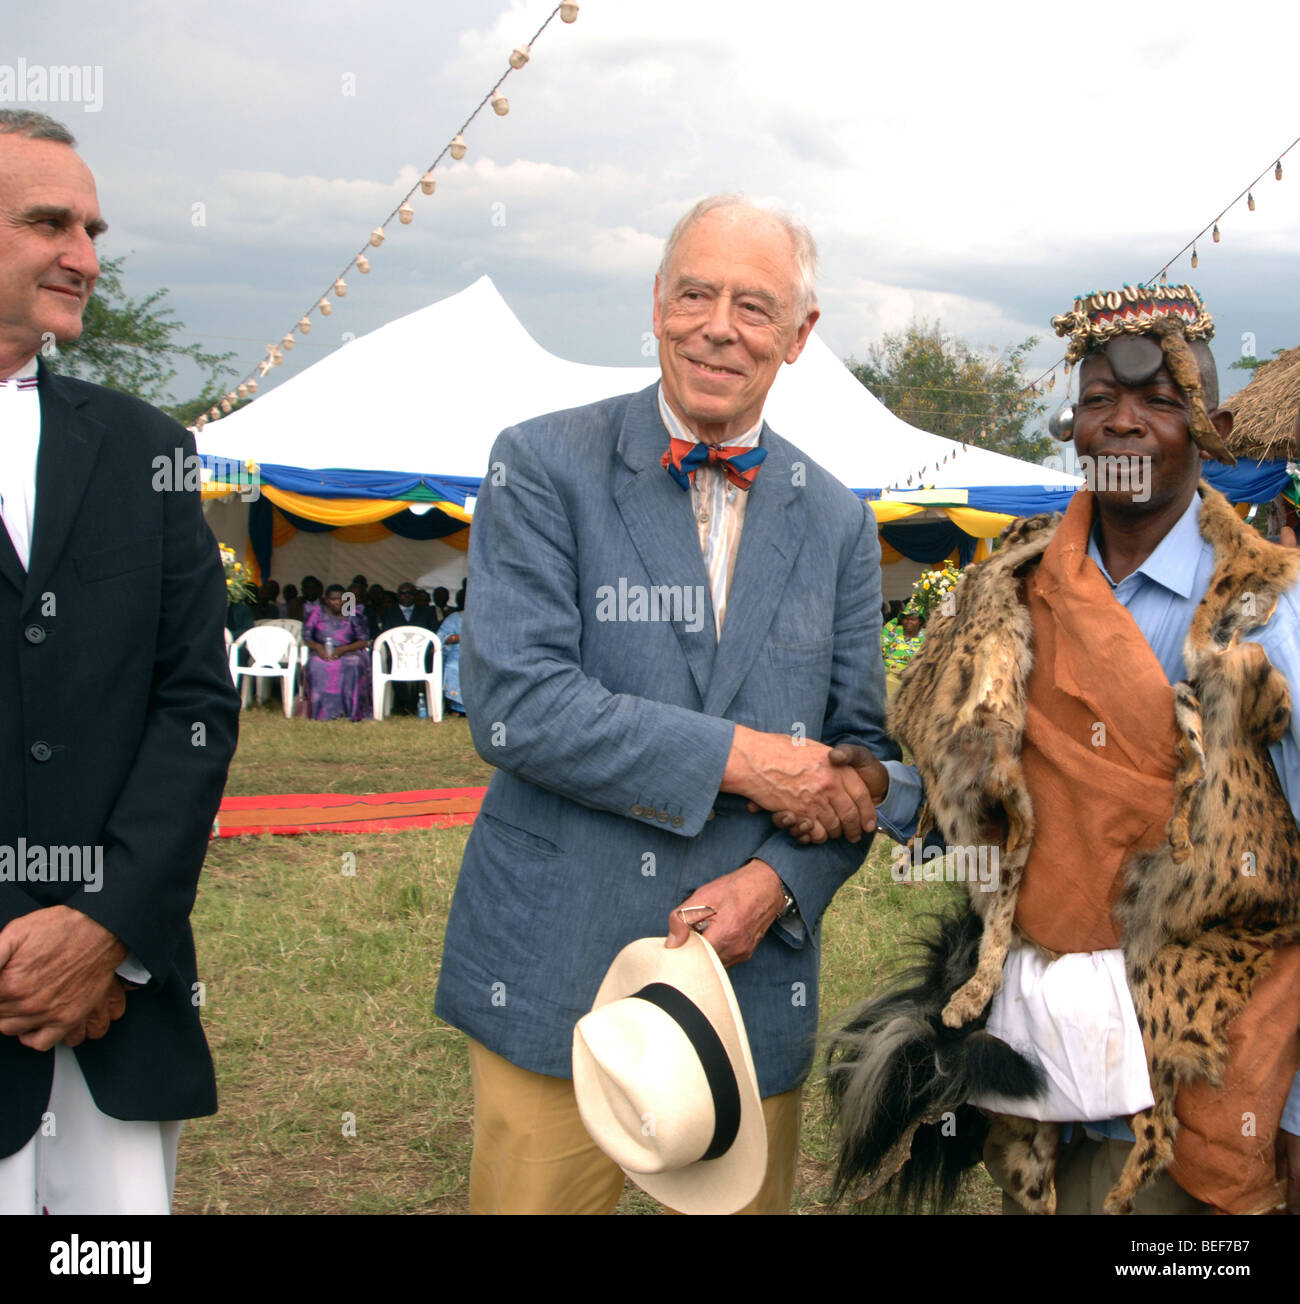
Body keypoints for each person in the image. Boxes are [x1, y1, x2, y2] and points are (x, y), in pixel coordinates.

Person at [434, 195, 896, 1214]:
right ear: (656, 304)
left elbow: (862, 760)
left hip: (749, 995)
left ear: (798, 334)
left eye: (753, 304)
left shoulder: (836, 521)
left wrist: (777, 884)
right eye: (695, 292)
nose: (718, 325)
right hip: (557, 967)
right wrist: (751, 760)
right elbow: (517, 701)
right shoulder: (541, 462)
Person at [826, 282, 1300, 1215]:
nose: (1124, 424)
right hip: (1040, 1085)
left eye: (1161, 402)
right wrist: (886, 787)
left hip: (1194, 1083)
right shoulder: (1010, 582)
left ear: (1204, 425)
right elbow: (975, 791)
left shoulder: (1265, 615)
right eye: (1098, 401)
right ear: (1071, 422)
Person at [0, 110, 239, 1213]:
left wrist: (105, 928)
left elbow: (194, 701)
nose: (86, 257)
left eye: (92, 228)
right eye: (51, 222)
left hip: (117, 1012)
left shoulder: (149, 448)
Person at [302, 584, 372, 721]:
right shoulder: (317, 612)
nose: (337, 602)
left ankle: (351, 713)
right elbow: (307, 638)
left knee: (354, 663)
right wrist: (319, 648)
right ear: (326, 600)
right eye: (333, 599)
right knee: (316, 664)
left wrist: (341, 650)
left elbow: (363, 640)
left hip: (349, 650)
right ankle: (321, 713)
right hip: (322, 651)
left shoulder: (353, 613)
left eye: (341, 599)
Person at [377, 581, 439, 715]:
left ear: (415, 596)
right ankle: (403, 702)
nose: (407, 596)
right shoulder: (387, 613)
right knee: (390, 663)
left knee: (431, 663)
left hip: (422, 654)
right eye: (403, 593)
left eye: (410, 593)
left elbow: (434, 633)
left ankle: (418, 701)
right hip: (396, 654)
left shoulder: (427, 612)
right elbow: (383, 636)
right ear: (398, 596)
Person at [438, 585, 464, 717]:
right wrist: (457, 638)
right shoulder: (454, 618)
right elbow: (440, 639)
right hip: (457, 655)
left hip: (482, 655)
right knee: (454, 666)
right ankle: (457, 709)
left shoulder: (486, 618)